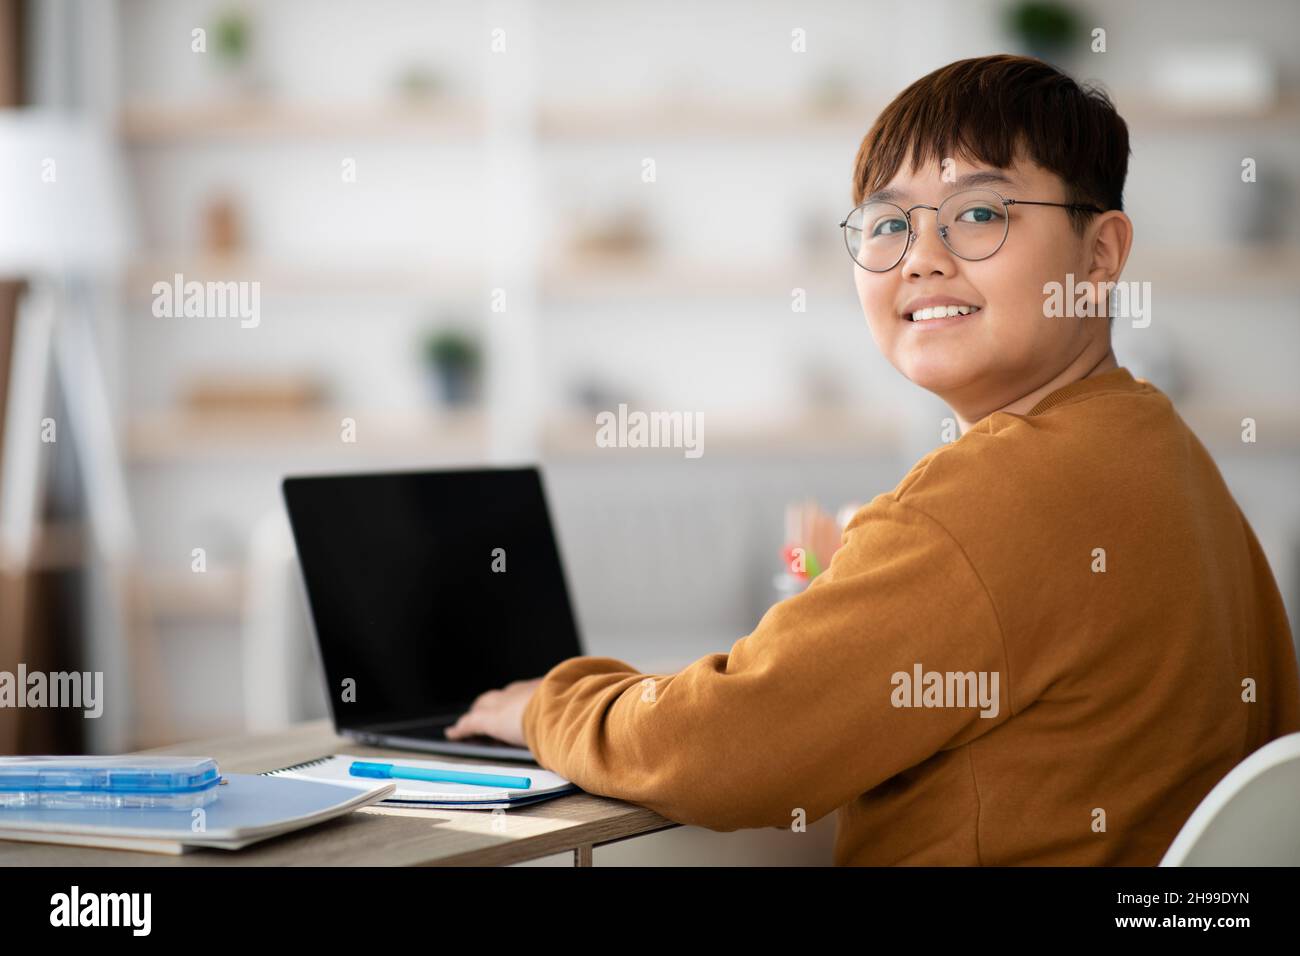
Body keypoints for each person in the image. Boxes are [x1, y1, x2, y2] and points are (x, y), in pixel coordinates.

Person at [446, 54, 1300, 865]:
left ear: (1101, 254)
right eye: (889, 224)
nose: (921, 257)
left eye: (979, 213)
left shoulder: (991, 495)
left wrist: (547, 704)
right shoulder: (1168, 452)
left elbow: (721, 750)